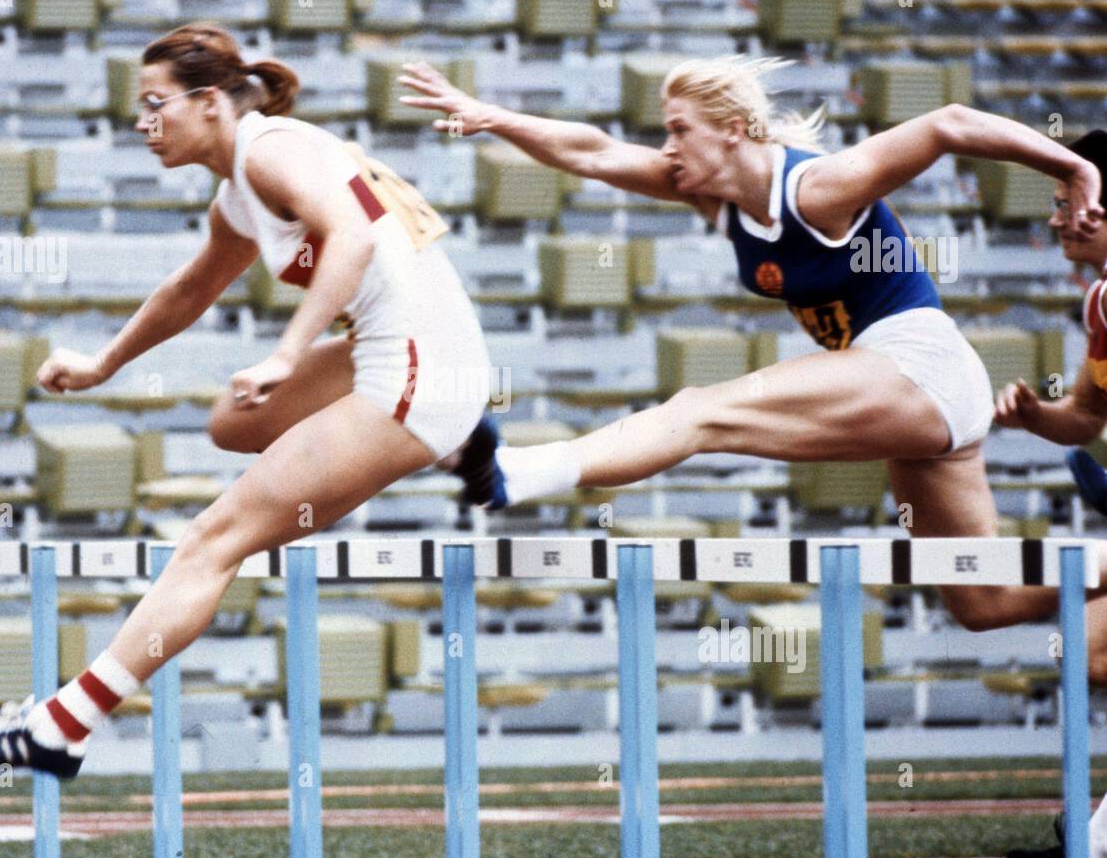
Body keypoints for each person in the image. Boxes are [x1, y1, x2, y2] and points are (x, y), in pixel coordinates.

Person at [397, 55, 1107, 672]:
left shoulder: (818, 189)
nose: (667, 147)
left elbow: (948, 121)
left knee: (701, 411)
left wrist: (1069, 163)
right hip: (898, 390)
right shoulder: (710, 191)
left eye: (679, 129)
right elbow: (590, 150)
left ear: (732, 130)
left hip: (920, 364)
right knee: (983, 601)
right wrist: (489, 115)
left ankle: (518, 471)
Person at [0, 24, 499, 777]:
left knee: (213, 539)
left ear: (208, 102)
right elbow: (192, 288)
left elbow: (356, 237)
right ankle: (467, 438)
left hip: (421, 365)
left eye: (154, 104)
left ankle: (64, 725)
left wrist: (288, 351)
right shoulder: (239, 189)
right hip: (405, 349)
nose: (143, 122)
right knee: (234, 422)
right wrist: (103, 363)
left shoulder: (271, 152)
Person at [993, 128, 1107, 858]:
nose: (1056, 219)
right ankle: (1092, 841)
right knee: (1089, 649)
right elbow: (1090, 416)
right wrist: (1038, 416)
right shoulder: (1101, 302)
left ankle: (1088, 845)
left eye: (1066, 203)